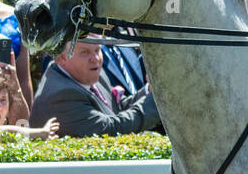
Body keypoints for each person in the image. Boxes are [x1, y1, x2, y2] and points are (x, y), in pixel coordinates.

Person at [28, 38, 161, 137]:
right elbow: (111, 130)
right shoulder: (61, 95)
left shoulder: (88, 71)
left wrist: (150, 90)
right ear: (62, 58)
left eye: (98, 50)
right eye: (85, 52)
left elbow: (117, 108)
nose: (95, 58)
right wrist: (158, 100)